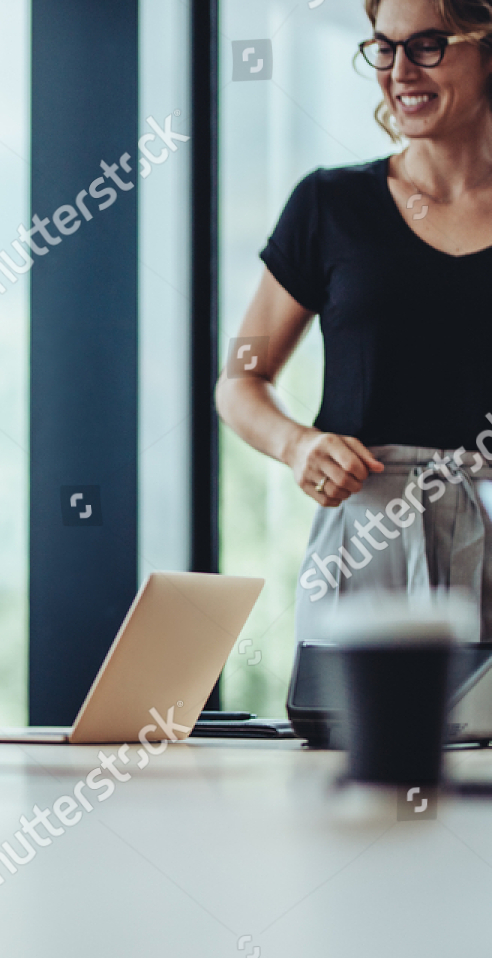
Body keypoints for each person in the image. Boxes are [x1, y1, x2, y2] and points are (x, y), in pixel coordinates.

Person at [216, 0, 492, 639]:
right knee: (354, 739)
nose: (399, 71)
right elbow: (238, 384)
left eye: (428, 45)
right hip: (364, 544)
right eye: (384, 47)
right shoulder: (329, 205)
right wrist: (297, 444)